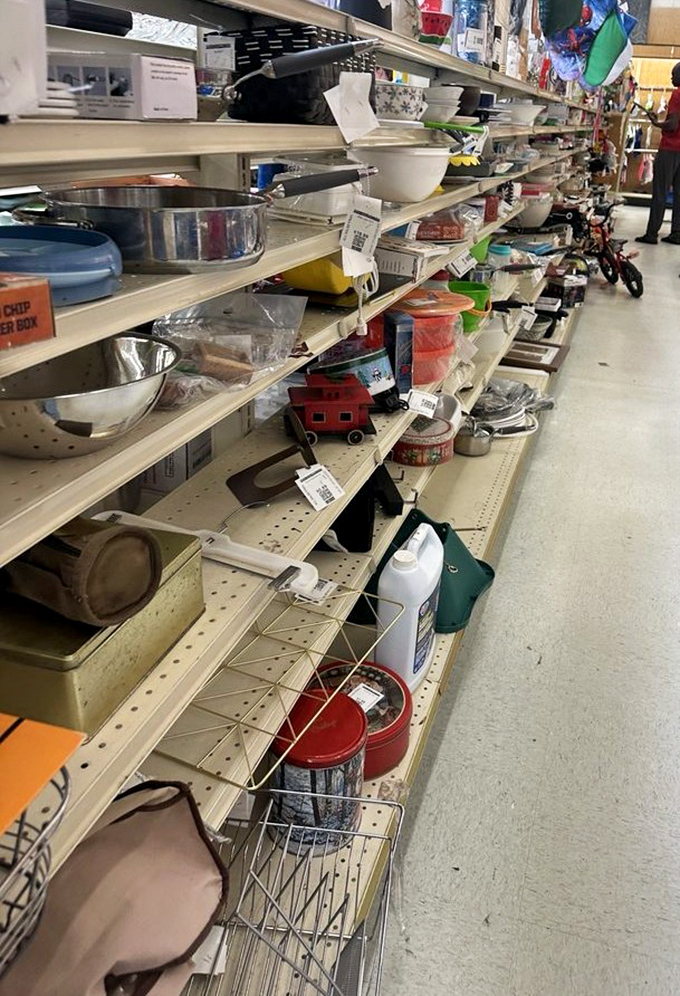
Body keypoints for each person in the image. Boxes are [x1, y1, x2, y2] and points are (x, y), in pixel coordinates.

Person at [637, 62, 680, 245]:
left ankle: (652, 233)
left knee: (660, 192)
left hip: (670, 148)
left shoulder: (677, 94)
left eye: (674, 74)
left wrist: (656, 123)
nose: (671, 78)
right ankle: (677, 233)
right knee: (679, 194)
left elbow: (672, 124)